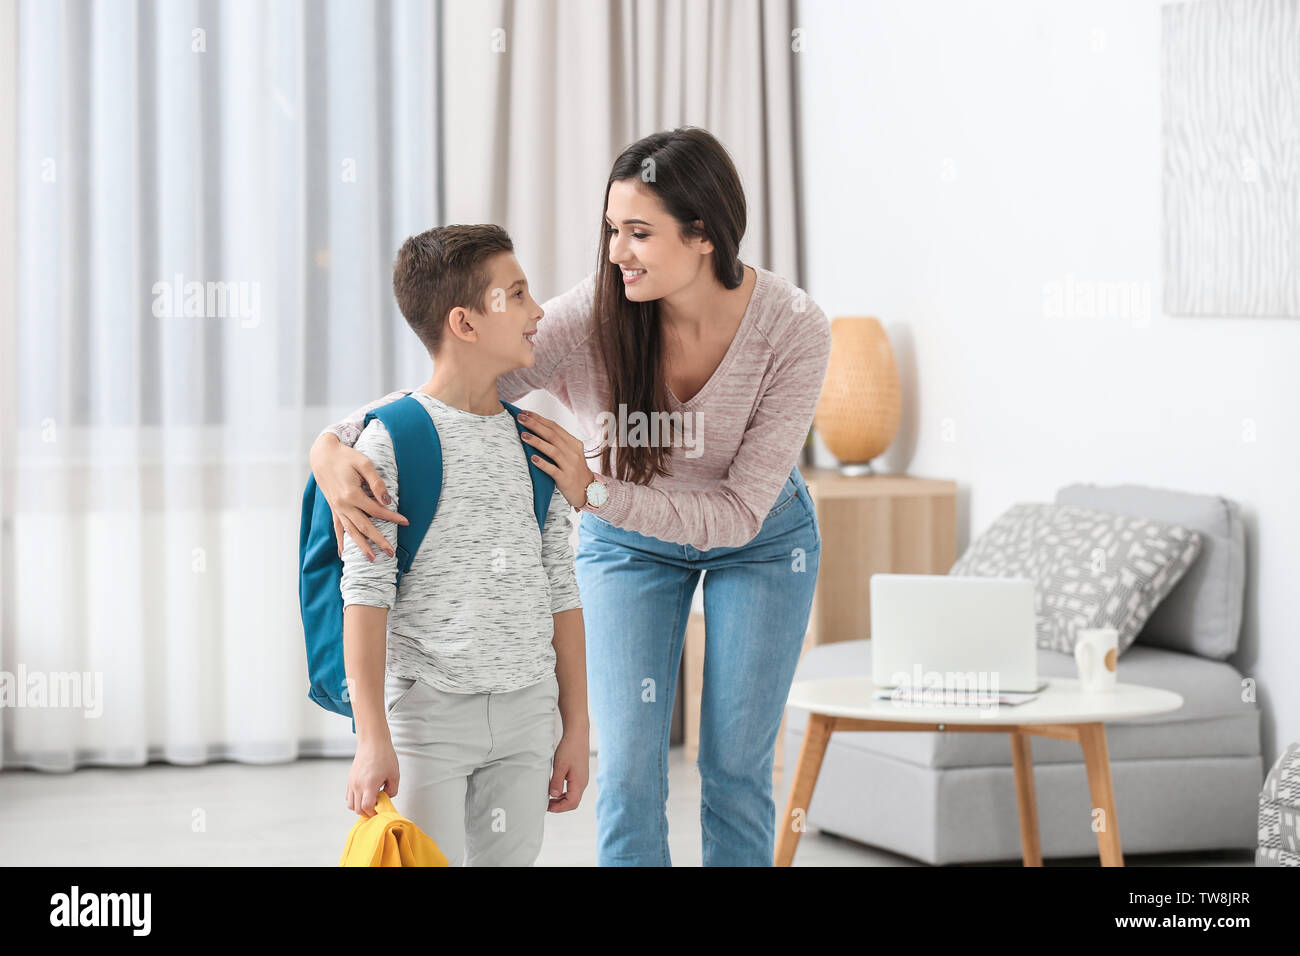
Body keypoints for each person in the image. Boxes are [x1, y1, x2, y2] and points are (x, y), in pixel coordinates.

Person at [313, 127, 829, 866]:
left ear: (705, 235)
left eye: (640, 233)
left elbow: (737, 512)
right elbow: (455, 384)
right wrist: (331, 443)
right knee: (625, 771)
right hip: (628, 543)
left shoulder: (794, 328)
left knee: (737, 772)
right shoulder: (594, 313)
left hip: (762, 541)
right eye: (612, 230)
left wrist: (595, 491)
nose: (617, 252)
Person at [338, 223, 589, 867]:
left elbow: (562, 587)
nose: (538, 312)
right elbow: (365, 598)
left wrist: (574, 725)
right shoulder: (391, 442)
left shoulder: (538, 444)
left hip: (529, 715)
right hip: (428, 720)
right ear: (465, 323)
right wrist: (373, 739)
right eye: (518, 295)